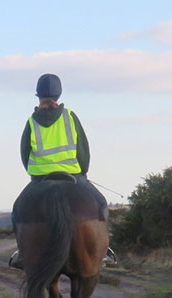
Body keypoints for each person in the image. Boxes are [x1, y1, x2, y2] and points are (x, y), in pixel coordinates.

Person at [10, 74, 115, 269]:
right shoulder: (70, 116)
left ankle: (22, 254)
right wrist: (83, 172)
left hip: (40, 180)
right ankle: (103, 252)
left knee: (17, 210)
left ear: (38, 95)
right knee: (101, 205)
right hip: (73, 177)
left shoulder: (32, 122)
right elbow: (83, 149)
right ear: (59, 95)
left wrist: (34, 172)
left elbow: (25, 153)